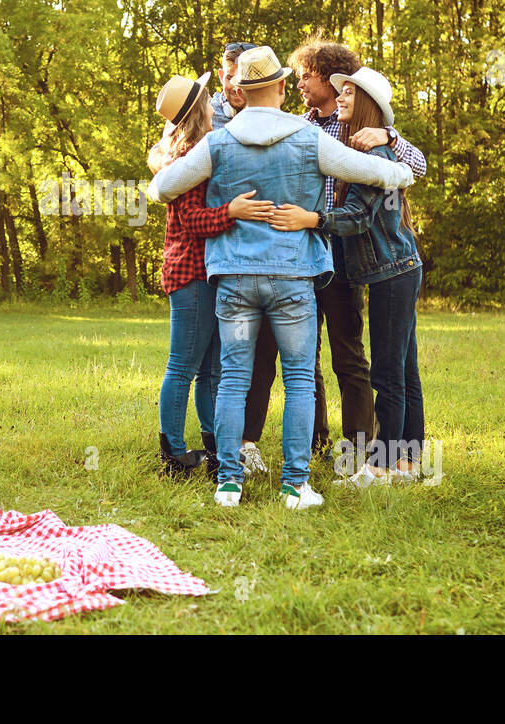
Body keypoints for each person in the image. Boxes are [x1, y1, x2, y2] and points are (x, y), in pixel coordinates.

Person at [148, 46, 415, 509]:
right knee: (298, 379)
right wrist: (401, 168)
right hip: (293, 277)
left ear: (242, 91)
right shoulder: (306, 136)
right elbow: (376, 171)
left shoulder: (218, 142)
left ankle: (227, 483)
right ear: (282, 87)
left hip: (233, 278)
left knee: (232, 378)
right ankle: (296, 485)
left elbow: (161, 189)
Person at [268, 67, 425, 485]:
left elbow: (356, 217)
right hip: (395, 269)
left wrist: (311, 218)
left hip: (392, 271)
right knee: (405, 369)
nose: (341, 97)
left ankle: (378, 467)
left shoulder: (374, 155)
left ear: (368, 102)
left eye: (350, 93)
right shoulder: (360, 151)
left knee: (389, 374)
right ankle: (408, 463)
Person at [149, 41, 273, 474]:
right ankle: (173, 452)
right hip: (191, 272)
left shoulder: (201, 146)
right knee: (183, 364)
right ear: (201, 109)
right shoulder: (185, 156)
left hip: (209, 272)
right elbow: (190, 221)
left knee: (212, 368)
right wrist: (231, 212)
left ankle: (212, 443)